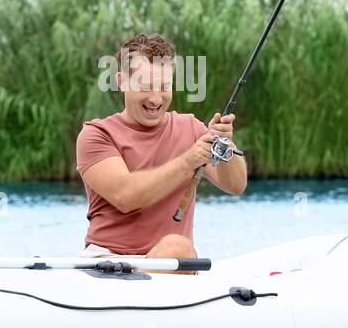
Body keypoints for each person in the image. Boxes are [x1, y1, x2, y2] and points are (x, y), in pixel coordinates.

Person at [76, 32, 247, 259]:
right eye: (145, 87)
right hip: (109, 263)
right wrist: (188, 161)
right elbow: (125, 197)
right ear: (121, 82)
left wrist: (224, 144)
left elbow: (236, 185)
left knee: (178, 249)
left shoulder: (192, 129)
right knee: (179, 249)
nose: (156, 99)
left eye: (164, 87)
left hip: (171, 267)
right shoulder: (96, 135)